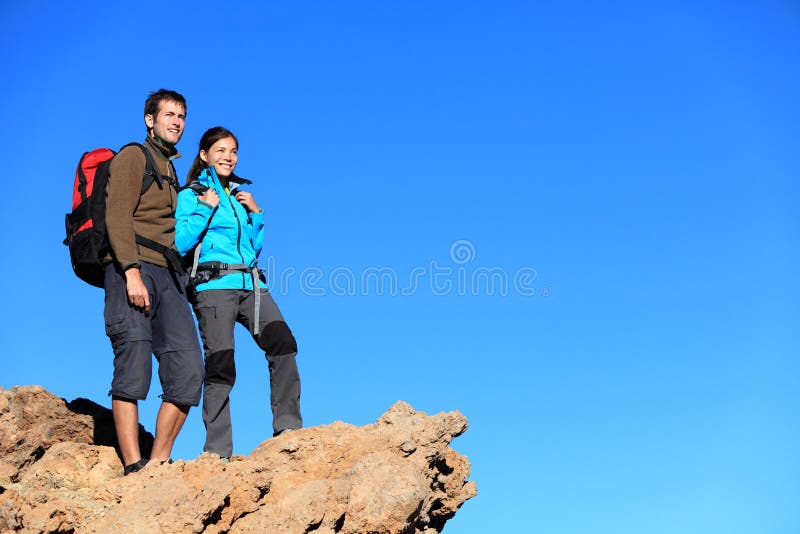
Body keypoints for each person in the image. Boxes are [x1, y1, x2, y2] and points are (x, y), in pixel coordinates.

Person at [175, 126, 302, 459]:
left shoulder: (240, 195)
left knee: (283, 344)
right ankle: (218, 452)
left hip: (252, 287)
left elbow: (253, 248)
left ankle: (287, 427)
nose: (228, 157)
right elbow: (182, 242)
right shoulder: (191, 194)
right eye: (220, 151)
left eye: (233, 151)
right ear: (204, 155)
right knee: (221, 363)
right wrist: (205, 207)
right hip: (214, 288)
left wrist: (257, 215)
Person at [104, 89, 205, 475]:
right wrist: (130, 271)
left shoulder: (170, 168)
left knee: (188, 368)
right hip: (133, 268)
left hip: (168, 275)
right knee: (133, 365)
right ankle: (133, 465)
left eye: (182, 116)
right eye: (169, 114)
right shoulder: (134, 156)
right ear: (150, 119)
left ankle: (158, 464)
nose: (177, 121)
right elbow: (117, 216)